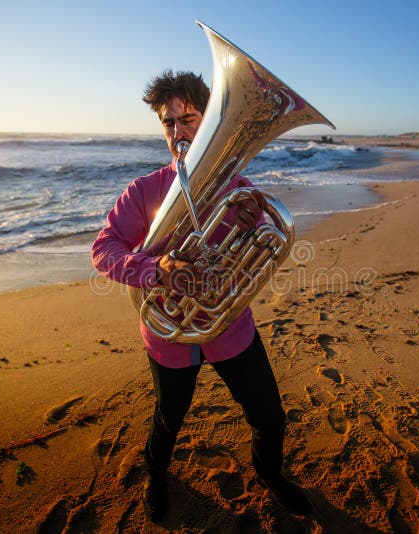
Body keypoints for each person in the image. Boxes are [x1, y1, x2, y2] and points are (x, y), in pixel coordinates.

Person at [91, 70, 312, 521]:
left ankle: (269, 473)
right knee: (168, 421)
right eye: (168, 123)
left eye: (188, 119)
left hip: (229, 327)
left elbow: (267, 238)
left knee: (269, 417)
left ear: (209, 120)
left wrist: (258, 223)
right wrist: (157, 268)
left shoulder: (237, 187)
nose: (178, 132)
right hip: (169, 335)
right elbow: (103, 250)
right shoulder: (144, 191)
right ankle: (156, 473)